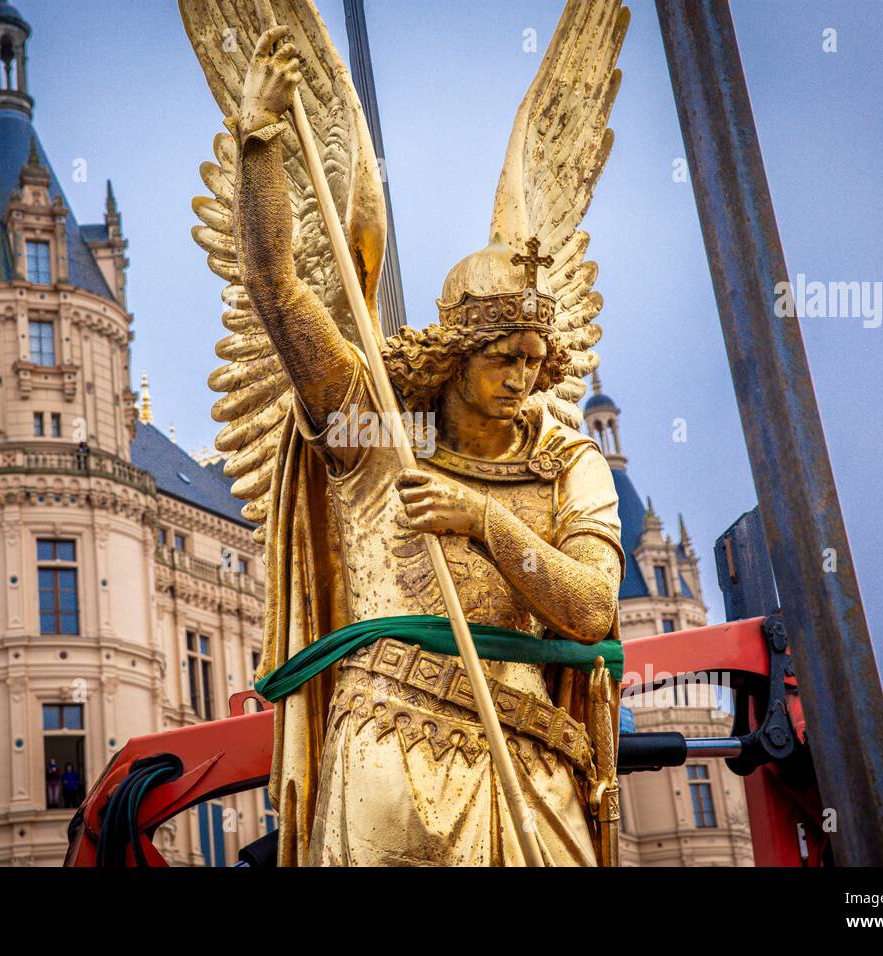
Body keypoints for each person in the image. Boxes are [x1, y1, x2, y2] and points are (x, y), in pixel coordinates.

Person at [229, 25, 624, 866]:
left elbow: (593, 610)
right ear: (452, 357)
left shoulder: (567, 465)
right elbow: (276, 289)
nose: (524, 378)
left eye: (532, 361)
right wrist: (258, 143)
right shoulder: (377, 439)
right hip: (388, 748)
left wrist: (484, 519)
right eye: (501, 359)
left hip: (531, 758)